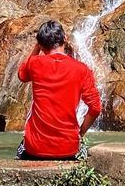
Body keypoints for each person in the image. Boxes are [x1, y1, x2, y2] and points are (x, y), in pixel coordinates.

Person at [17, 19, 101, 161]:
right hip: (68, 147)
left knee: (21, 150)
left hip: (35, 147)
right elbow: (96, 108)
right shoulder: (81, 69)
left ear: (41, 44)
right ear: (65, 38)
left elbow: (22, 75)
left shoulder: (34, 63)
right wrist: (81, 132)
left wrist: (37, 48)